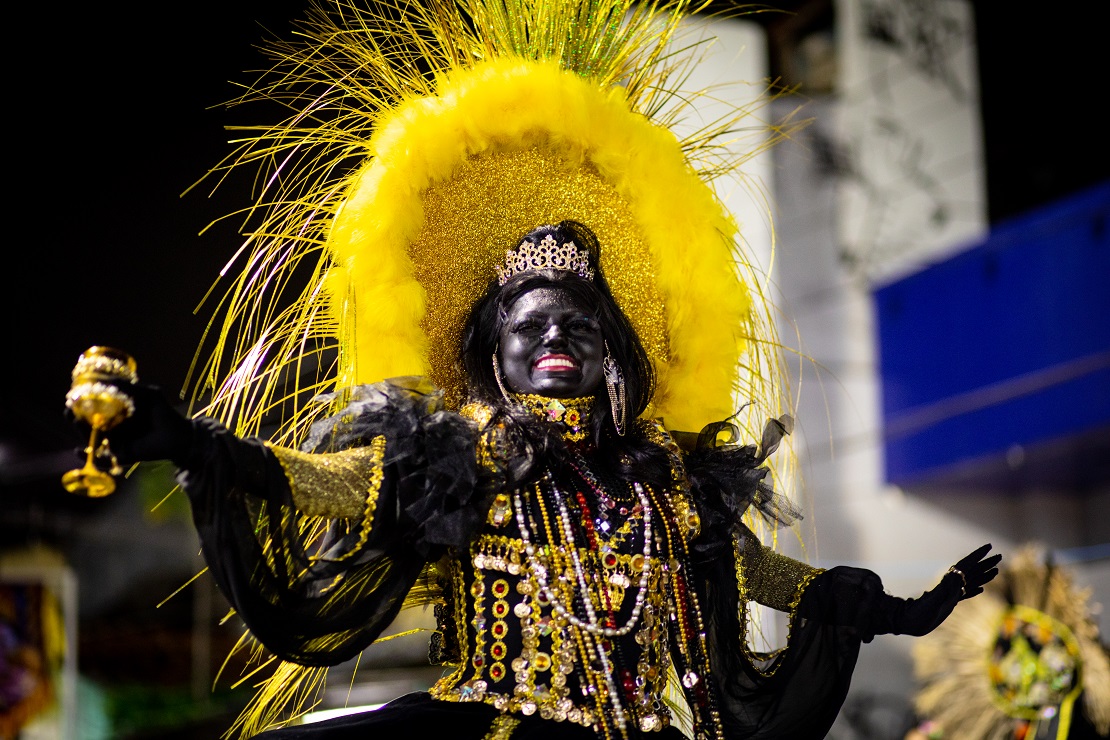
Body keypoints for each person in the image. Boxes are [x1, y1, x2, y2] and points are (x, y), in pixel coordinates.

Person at [64, 3, 1000, 738]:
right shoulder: (462, 456)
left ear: (613, 350)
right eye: (531, 322)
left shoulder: (667, 484)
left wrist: (906, 610)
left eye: (580, 322)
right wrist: (186, 438)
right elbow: (336, 487)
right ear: (493, 351)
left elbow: (762, 573)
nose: (556, 336)